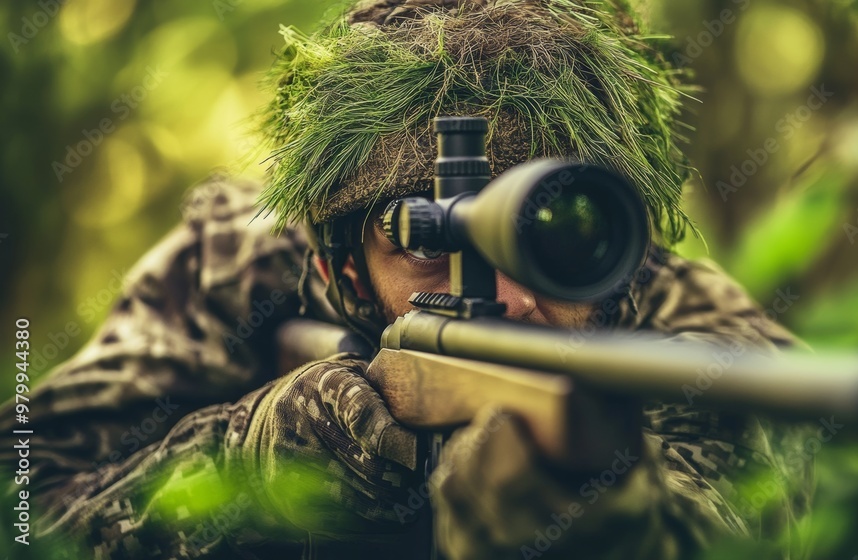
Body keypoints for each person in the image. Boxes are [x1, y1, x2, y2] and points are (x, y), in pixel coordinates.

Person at [1, 0, 812, 557]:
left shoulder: (679, 319)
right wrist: (262, 448)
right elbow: (26, 505)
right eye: (429, 242)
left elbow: (749, 523)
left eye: (556, 231)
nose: (514, 300)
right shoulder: (238, 267)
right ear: (340, 260)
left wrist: (576, 506)